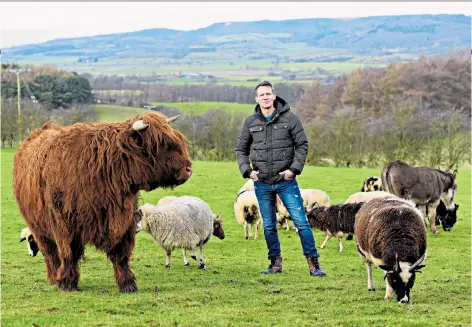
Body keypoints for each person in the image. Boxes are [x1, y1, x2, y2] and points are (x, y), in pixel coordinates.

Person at [235, 81, 326, 277]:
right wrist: (247, 171)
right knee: (269, 225)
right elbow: (241, 150)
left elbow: (302, 145)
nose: (265, 97)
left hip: (286, 181)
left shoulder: (291, 118)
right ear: (256, 99)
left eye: (268, 94)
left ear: (274, 96)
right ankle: (275, 264)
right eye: (262, 95)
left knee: (301, 222)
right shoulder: (250, 122)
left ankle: (314, 264)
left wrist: (293, 169)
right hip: (262, 183)